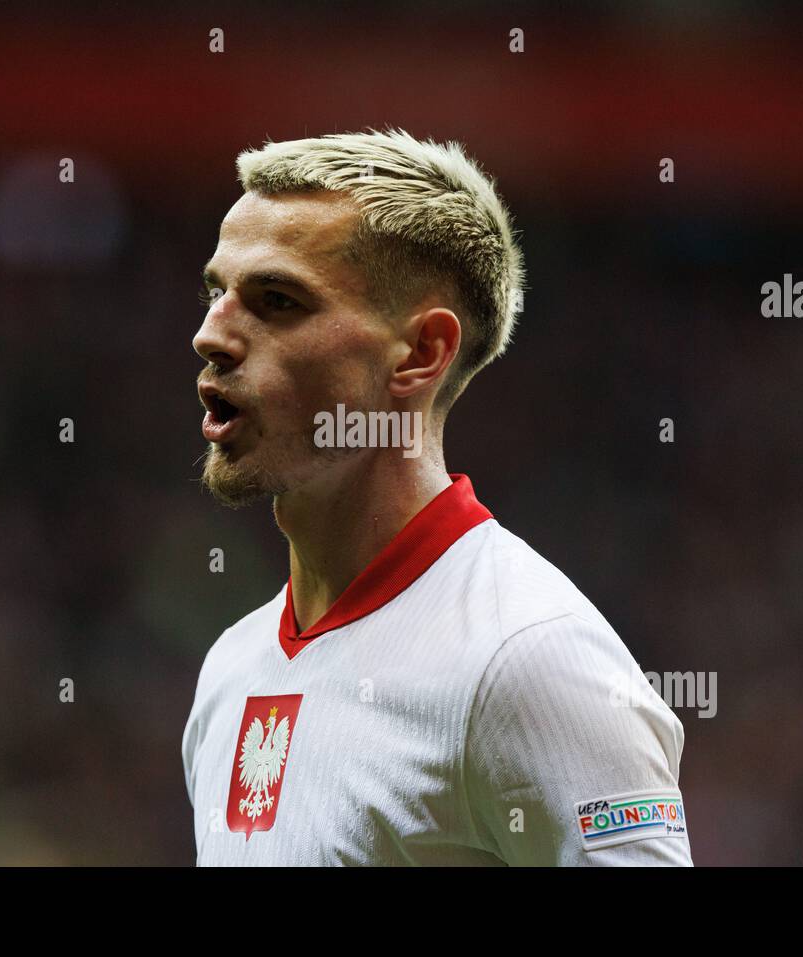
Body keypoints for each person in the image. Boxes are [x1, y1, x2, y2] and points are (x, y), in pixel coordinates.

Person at [182, 128, 691, 865]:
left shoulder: (528, 660)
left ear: (421, 354)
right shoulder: (232, 668)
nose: (211, 335)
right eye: (216, 293)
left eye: (277, 300)